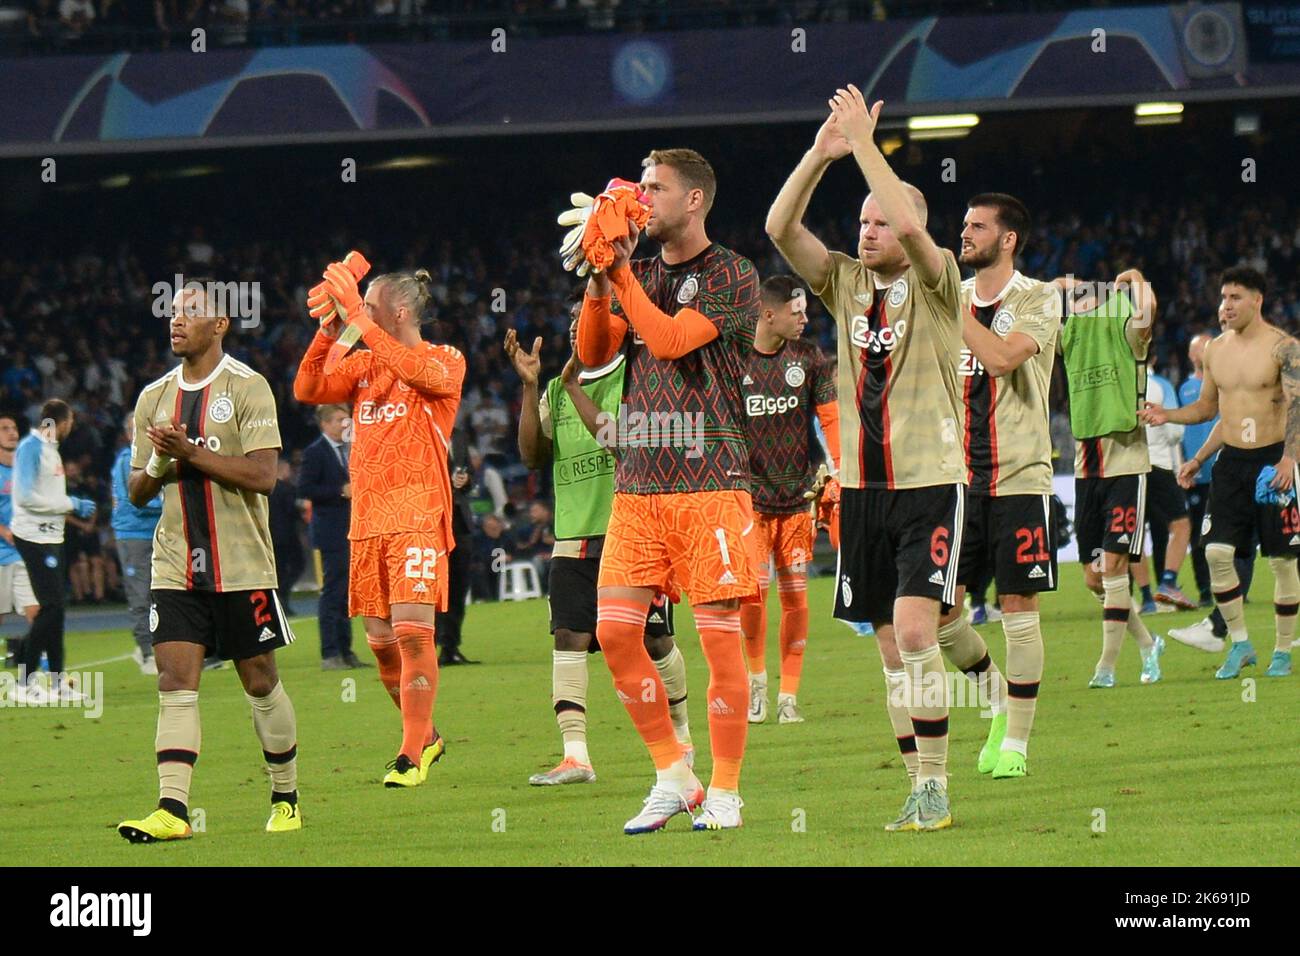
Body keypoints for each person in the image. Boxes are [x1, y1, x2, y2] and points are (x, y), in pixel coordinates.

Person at [767, 87, 963, 831]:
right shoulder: (844, 281)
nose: (870, 230)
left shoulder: (939, 281)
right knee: (888, 648)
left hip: (928, 484)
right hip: (861, 492)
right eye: (862, 222)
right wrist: (823, 154)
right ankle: (916, 787)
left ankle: (938, 787)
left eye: (880, 221)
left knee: (915, 633)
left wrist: (868, 147)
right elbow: (779, 227)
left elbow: (912, 226)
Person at [575, 147, 759, 833]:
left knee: (719, 646)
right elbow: (593, 354)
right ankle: (674, 774)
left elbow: (673, 340)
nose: (643, 199)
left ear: (695, 200)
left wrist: (622, 273)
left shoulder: (733, 273)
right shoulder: (641, 272)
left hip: (711, 481)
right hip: (639, 481)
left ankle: (727, 791)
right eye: (641, 187)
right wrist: (600, 277)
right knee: (614, 635)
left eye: (656, 188)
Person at [117, 281, 301, 843]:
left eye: (191, 312)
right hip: (175, 564)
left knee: (260, 680)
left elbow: (264, 476)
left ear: (220, 324)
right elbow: (136, 492)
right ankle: (172, 810)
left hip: (241, 563)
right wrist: (161, 463)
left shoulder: (249, 386)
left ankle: (286, 797)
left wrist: (189, 452)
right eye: (173, 312)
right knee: (174, 680)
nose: (176, 321)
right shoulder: (153, 398)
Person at [295, 263, 465, 785]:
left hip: (417, 514)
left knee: (413, 635)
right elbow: (307, 387)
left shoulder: (445, 359)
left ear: (401, 312)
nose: (360, 311)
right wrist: (329, 331)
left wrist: (359, 322)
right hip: (367, 519)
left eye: (368, 304)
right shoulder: (365, 365)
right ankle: (427, 735)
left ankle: (410, 754)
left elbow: (417, 373)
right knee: (380, 642)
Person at [508, 314, 690, 787]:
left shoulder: (638, 377)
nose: (575, 326)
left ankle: (683, 738)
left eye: (586, 319)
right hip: (573, 536)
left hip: (633, 531)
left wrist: (574, 389)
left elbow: (621, 444)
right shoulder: (555, 389)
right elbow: (531, 456)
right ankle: (576, 757)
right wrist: (531, 386)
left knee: (654, 640)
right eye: (572, 320)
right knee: (568, 636)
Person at [939, 192, 1061, 780]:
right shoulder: (953, 296)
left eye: (978, 226)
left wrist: (945, 303)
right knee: (940, 616)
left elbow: (1002, 358)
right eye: (964, 224)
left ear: (1008, 239)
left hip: (1019, 476)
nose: (965, 233)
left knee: (1018, 605)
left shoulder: (1038, 297)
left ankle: (1017, 742)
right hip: (952, 480)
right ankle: (995, 696)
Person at [1143, 267, 1298, 678]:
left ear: (1257, 301)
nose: (1225, 306)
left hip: (1273, 462)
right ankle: (1241, 644)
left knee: (1282, 561)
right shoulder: (1214, 350)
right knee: (1216, 552)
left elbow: (1297, 408)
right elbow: (1210, 410)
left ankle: (1282, 651)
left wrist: (1289, 459)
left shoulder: (1284, 348)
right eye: (1223, 297)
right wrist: (1174, 423)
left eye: (1235, 297)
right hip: (1231, 463)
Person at [739, 275, 839, 726]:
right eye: (796, 312)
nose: (804, 319)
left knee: (796, 599)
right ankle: (757, 685)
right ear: (768, 314)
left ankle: (788, 697)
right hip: (750, 502)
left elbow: (831, 419)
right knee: (754, 598)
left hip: (799, 499)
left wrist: (839, 472)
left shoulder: (809, 358)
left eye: (805, 311)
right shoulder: (734, 358)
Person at [1058, 268, 1164, 688]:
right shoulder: (1071, 336)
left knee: (1116, 565)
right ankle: (1148, 644)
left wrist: (1135, 276)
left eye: (1090, 301)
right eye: (1078, 303)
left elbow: (1148, 306)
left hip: (1126, 463)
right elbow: (1044, 302)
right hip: (1087, 467)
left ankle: (1106, 667)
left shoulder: (1128, 331)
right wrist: (1065, 286)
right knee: (1094, 577)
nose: (1082, 308)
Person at [11, 398, 96, 703]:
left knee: (56, 610)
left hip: (51, 537)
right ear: (62, 422)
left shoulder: (50, 450)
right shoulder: (31, 449)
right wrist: (71, 503)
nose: (71, 426)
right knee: (51, 607)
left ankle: (58, 683)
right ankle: (23, 682)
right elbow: (24, 497)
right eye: (70, 421)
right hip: (34, 537)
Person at [297, 404, 368, 669]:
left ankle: (346, 651)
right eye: (339, 420)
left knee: (347, 593)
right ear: (325, 424)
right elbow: (305, 489)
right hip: (331, 532)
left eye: (347, 420)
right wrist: (340, 491)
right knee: (332, 591)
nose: (345, 425)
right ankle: (330, 653)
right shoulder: (314, 452)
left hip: (353, 529)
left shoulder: (352, 449)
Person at [1140, 358, 1195, 611]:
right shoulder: (1159, 384)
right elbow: (1175, 432)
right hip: (1158, 464)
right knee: (1180, 525)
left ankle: (1146, 598)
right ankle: (1169, 582)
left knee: (1134, 535)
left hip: (1128, 469)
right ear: (1152, 358)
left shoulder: (1119, 381)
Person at [111, 415, 164, 676]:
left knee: (163, 594)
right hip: (133, 535)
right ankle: (147, 653)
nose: (139, 433)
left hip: (159, 532)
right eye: (134, 429)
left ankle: (160, 648)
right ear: (127, 434)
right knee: (140, 594)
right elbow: (135, 500)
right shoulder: (126, 461)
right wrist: (167, 503)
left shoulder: (156, 459)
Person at [0, 413, 39, 672]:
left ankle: (42, 671)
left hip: (24, 553)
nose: (12, 432)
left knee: (37, 613)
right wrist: (5, 531)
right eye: (4, 428)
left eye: (13, 427)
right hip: (1, 553)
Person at [435, 427, 476, 665]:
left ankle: (450, 647)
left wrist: (466, 480)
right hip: (433, 520)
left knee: (459, 588)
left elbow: (469, 470)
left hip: (459, 521)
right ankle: (429, 647)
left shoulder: (459, 434)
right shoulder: (422, 429)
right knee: (434, 588)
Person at [267, 458, 305, 616]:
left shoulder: (265, 488)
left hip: (270, 536)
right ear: (282, 469)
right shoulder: (287, 489)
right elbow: (292, 511)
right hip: (288, 536)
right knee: (298, 565)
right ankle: (282, 598)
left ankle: (278, 602)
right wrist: (302, 512)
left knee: (278, 571)